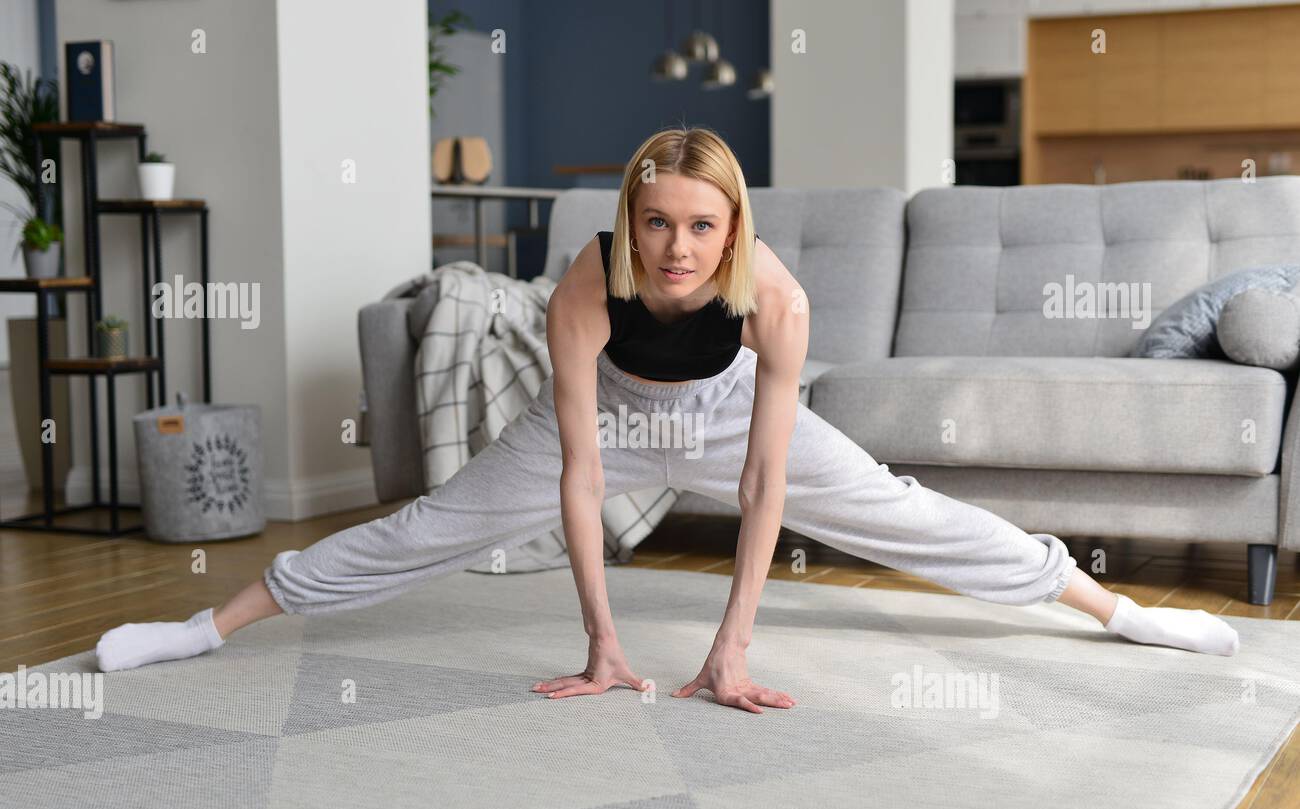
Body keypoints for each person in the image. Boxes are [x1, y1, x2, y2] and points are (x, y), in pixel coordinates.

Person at [95, 125, 1239, 714]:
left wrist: (728, 647)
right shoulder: (588, 289)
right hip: (605, 416)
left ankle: (1114, 609)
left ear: (732, 226)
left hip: (734, 413)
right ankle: (207, 627)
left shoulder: (777, 303)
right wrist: (603, 644)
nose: (677, 249)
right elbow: (582, 478)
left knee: (903, 513)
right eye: (656, 223)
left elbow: (762, 492)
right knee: (420, 531)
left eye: (701, 226)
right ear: (628, 221)